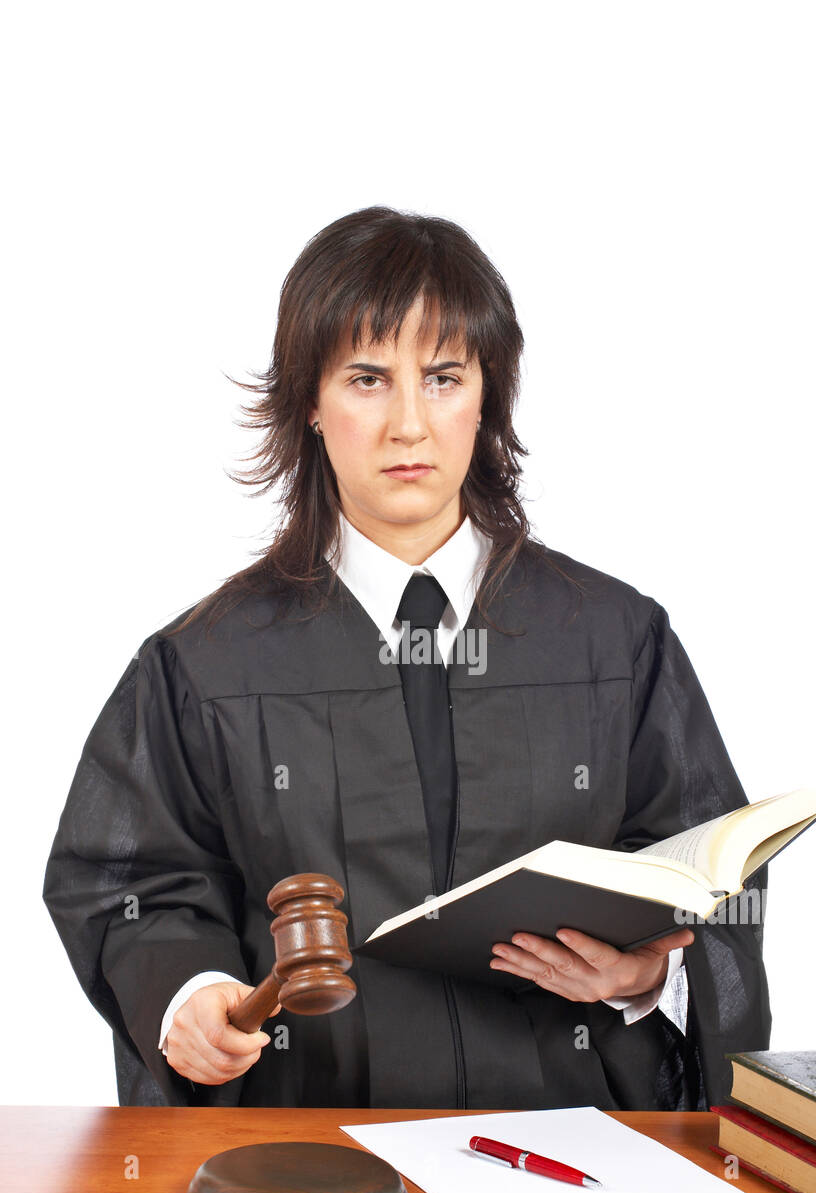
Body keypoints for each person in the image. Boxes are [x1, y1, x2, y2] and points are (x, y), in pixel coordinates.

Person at [42, 206, 770, 1111]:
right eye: (366, 378)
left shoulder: (615, 641)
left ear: (485, 395)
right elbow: (127, 880)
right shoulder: (207, 664)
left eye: (442, 376)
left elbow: (709, 871)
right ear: (309, 401)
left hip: (581, 1156)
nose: (408, 425)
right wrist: (185, 994)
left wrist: (641, 980)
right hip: (315, 1167)